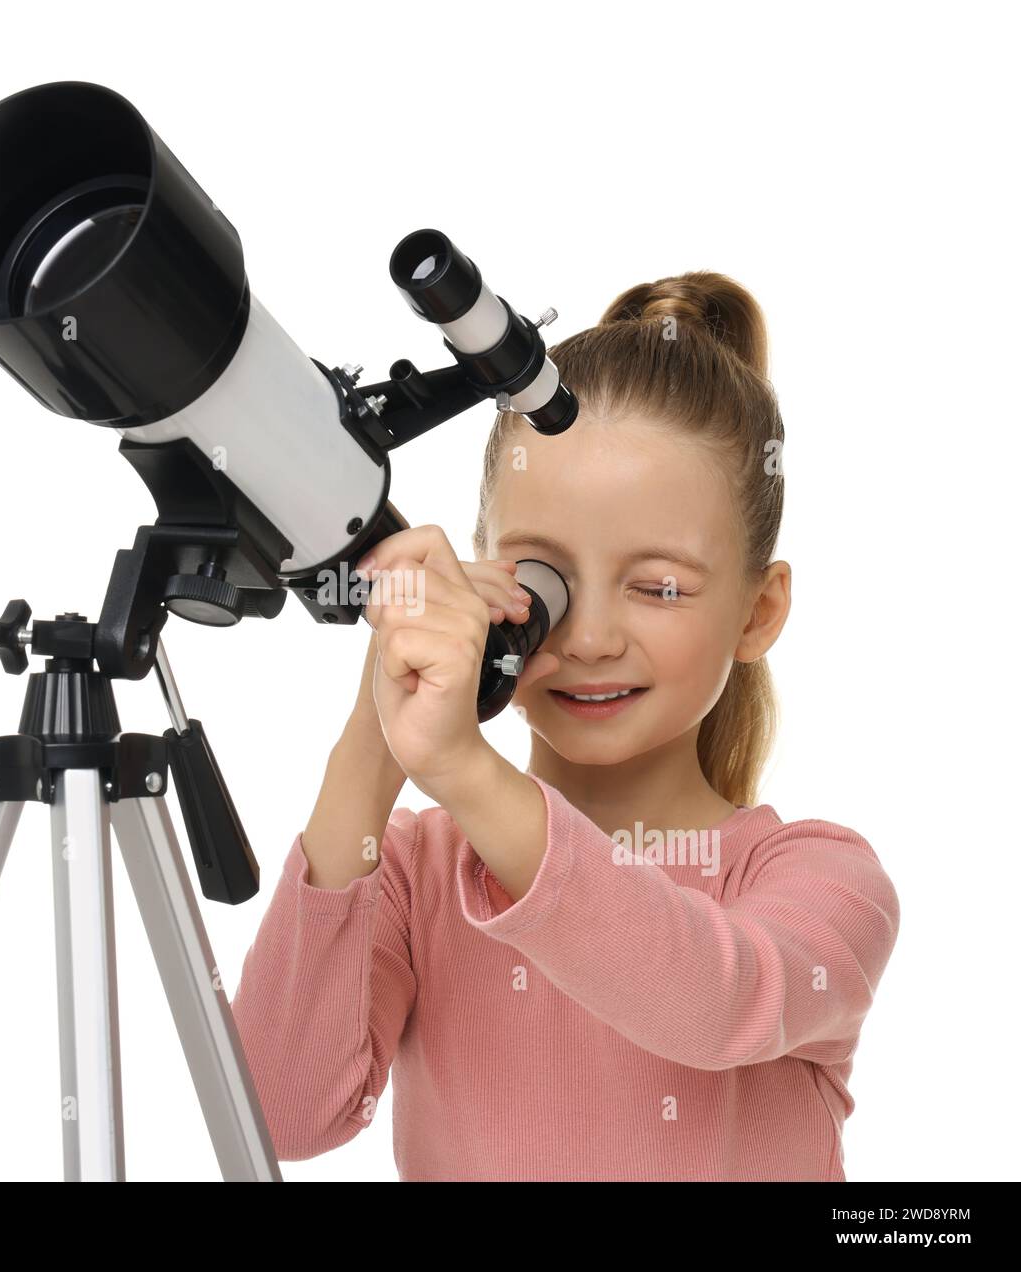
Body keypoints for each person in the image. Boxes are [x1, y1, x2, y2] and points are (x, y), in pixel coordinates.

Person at [228, 271, 900, 1181]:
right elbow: (273, 1111)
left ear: (757, 610)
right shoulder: (416, 878)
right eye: (543, 579)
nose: (587, 638)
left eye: (659, 586)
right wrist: (378, 721)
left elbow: (711, 1000)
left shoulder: (825, 882)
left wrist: (465, 770)